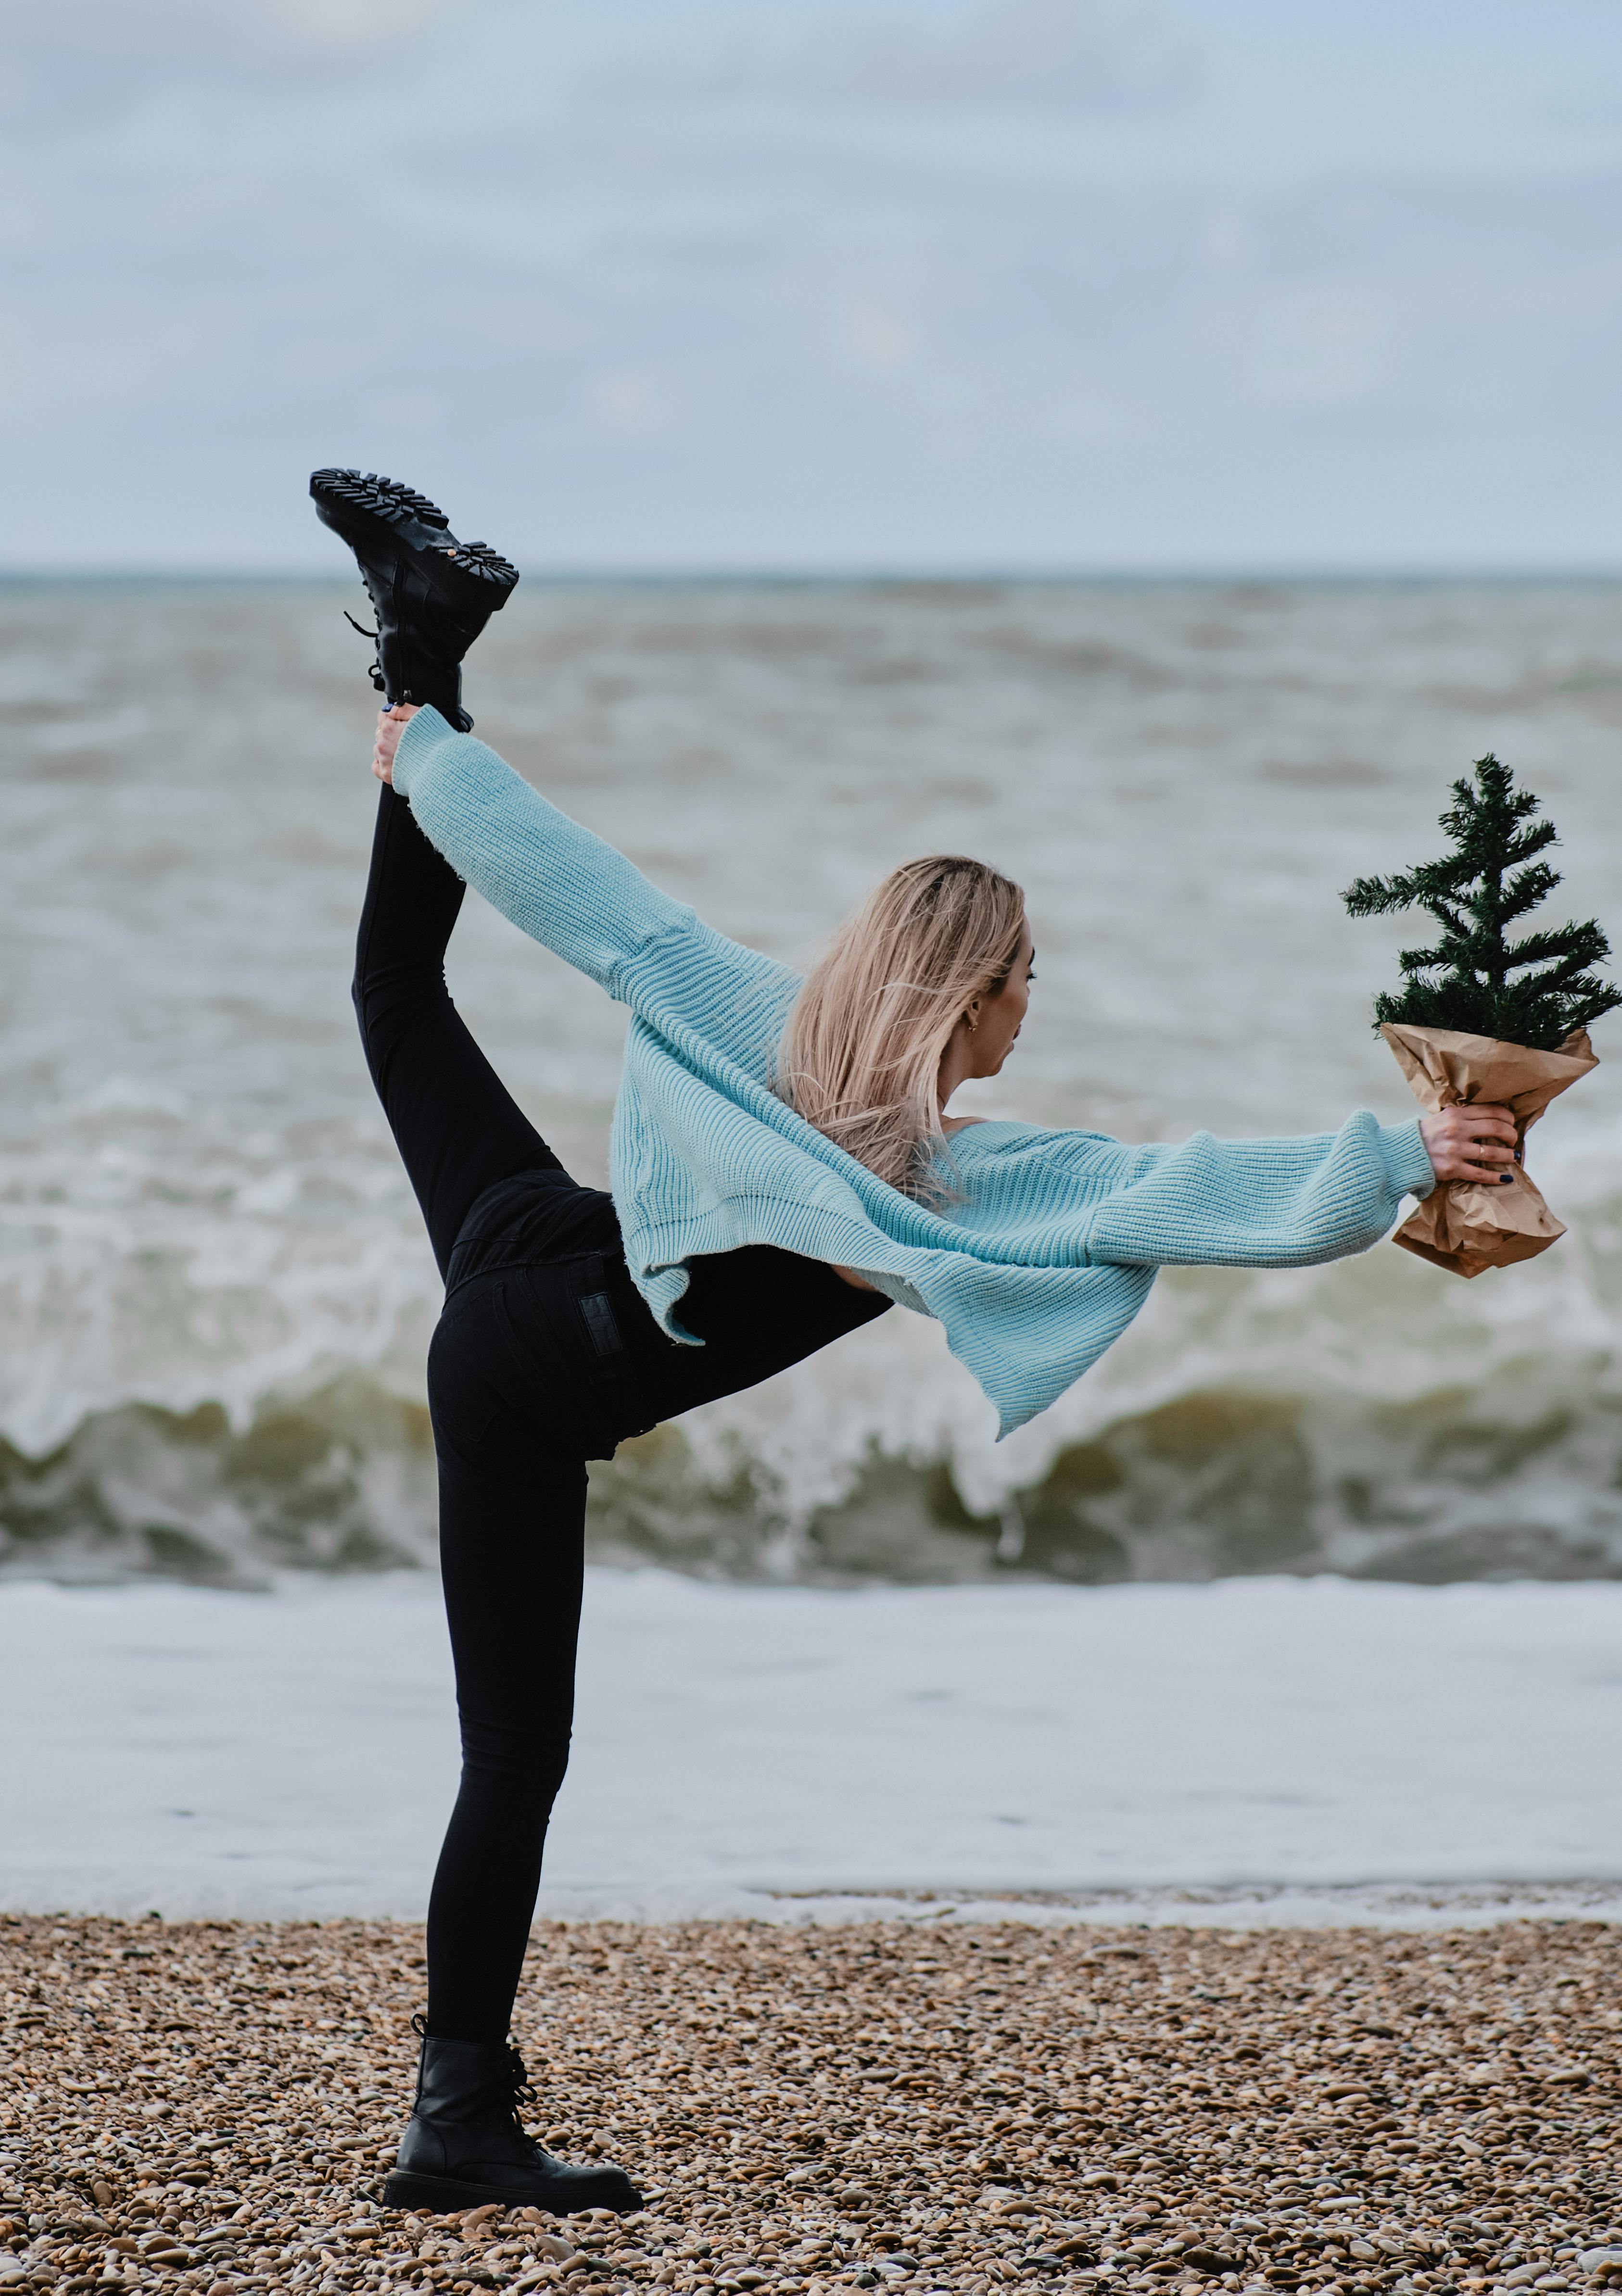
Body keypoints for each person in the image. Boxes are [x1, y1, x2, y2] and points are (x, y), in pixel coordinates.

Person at [312, 469, 1519, 2218]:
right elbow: (1178, 1189)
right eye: (1025, 977)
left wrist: (429, 749)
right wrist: (1406, 1155)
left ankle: (422, 628)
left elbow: (590, 901)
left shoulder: (771, 1028)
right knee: (516, 1756)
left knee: (394, 998)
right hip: (521, 1365)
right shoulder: (965, 1176)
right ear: (971, 991)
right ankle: (455, 2125)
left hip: (531, 1246)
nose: (1040, 1003)